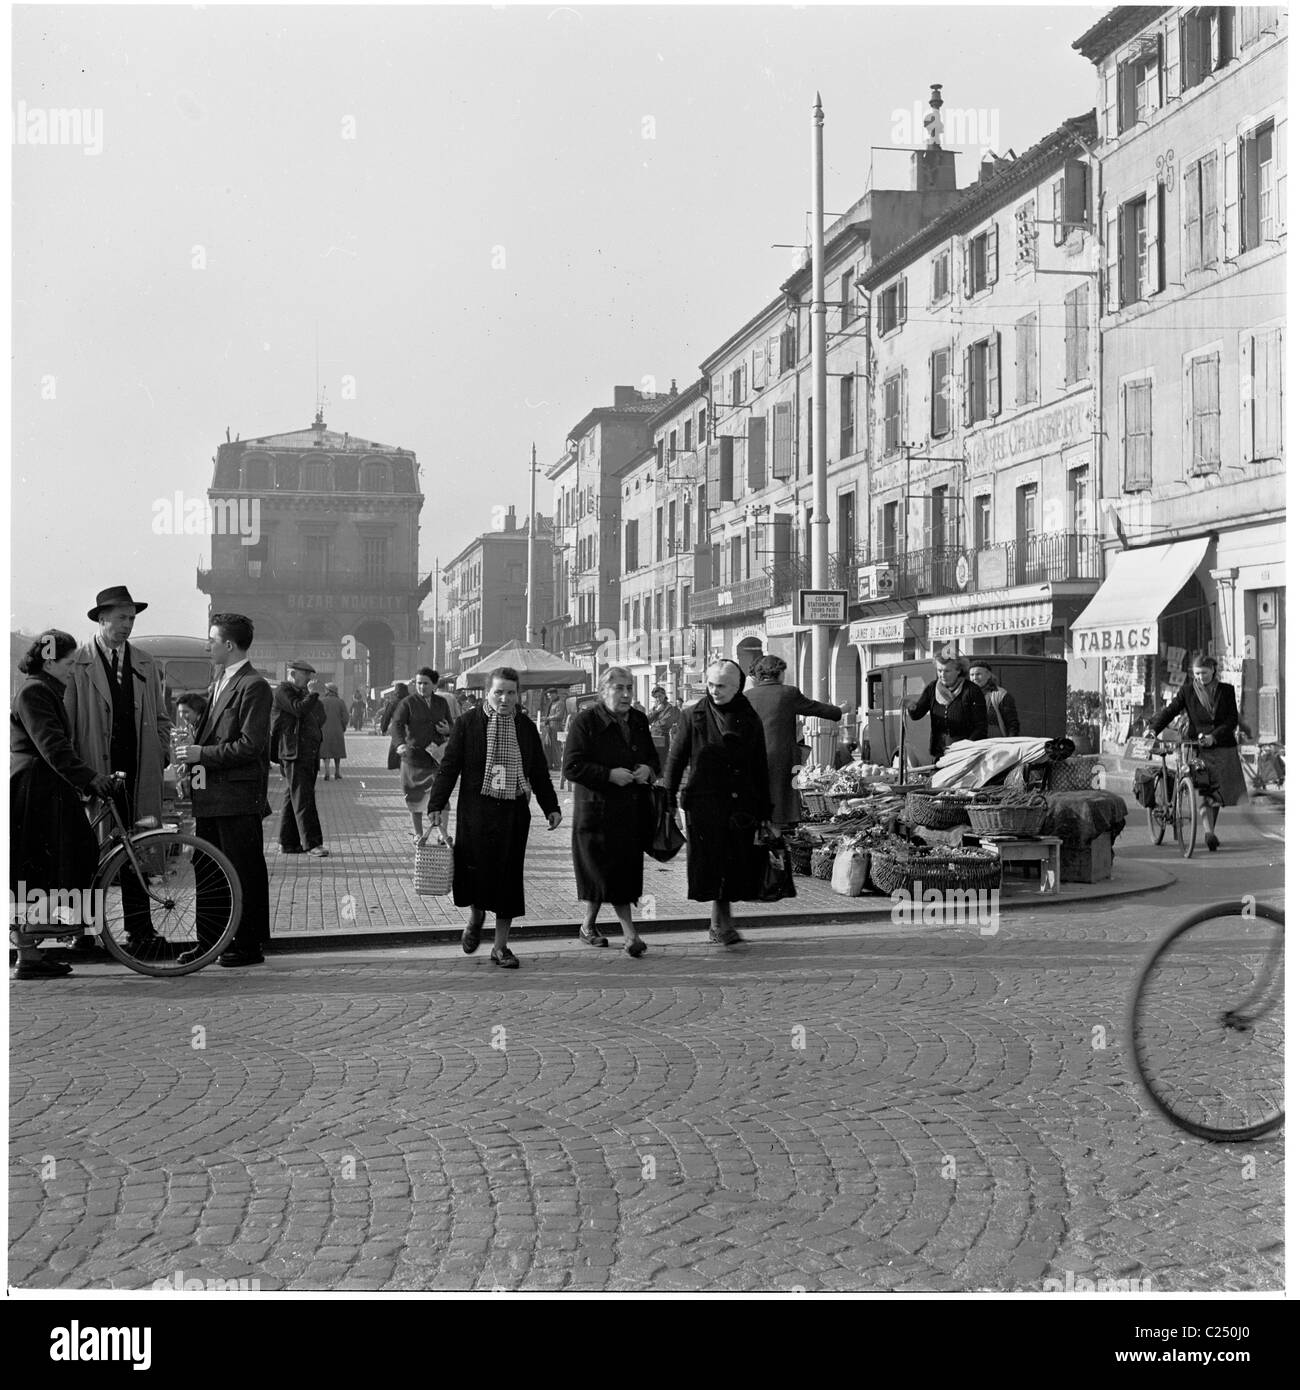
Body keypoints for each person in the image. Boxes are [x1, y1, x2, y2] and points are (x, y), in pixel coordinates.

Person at [428, 667, 562, 968]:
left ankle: (501, 947)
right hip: (476, 814)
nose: (504, 698)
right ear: (487, 693)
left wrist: (551, 807)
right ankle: (476, 918)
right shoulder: (467, 724)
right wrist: (436, 804)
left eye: (510, 692)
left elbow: (539, 771)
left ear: (518, 694)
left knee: (508, 879)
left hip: (513, 814)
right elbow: (449, 767)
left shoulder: (526, 727)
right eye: (498, 692)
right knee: (476, 873)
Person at [64, 584, 173, 951]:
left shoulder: (145, 662)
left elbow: (161, 717)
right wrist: (79, 773)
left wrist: (160, 751)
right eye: (122, 618)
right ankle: (85, 932)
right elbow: (67, 724)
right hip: (95, 774)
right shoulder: (77, 663)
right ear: (102, 618)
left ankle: (140, 929)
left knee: (137, 848)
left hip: (138, 773)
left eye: (132, 618)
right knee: (91, 852)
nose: (128, 625)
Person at [11, 631, 118, 979]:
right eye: (69, 663)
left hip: (45, 785)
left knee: (46, 863)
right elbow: (52, 746)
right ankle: (31, 945)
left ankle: (31, 951)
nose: (73, 669)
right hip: (35, 788)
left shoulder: (42, 689)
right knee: (41, 864)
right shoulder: (35, 692)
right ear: (49, 660)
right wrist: (90, 778)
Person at [175, 613, 272, 967]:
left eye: (212, 640)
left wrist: (203, 754)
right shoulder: (221, 680)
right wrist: (191, 767)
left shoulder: (253, 685)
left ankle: (247, 945)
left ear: (229, 645)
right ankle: (211, 942)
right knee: (209, 868)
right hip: (212, 796)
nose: (207, 645)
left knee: (242, 870)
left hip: (237, 798)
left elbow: (251, 745)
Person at [663, 658, 775, 946]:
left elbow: (759, 763)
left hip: (740, 803)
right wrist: (669, 800)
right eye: (711, 684)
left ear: (737, 686)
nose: (714, 690)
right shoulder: (693, 715)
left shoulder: (748, 716)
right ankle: (720, 925)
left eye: (721, 686)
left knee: (735, 862)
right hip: (704, 802)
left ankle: (722, 924)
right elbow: (675, 759)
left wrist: (765, 809)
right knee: (712, 863)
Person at [563, 667, 659, 956]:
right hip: (597, 814)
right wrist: (608, 775)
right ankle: (631, 936)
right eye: (619, 688)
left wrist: (649, 769)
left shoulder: (639, 720)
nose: (626, 694)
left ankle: (588, 926)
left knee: (616, 875)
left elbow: (653, 758)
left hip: (631, 812)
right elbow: (572, 766)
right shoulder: (585, 722)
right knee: (609, 875)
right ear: (604, 690)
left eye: (629, 687)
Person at [1150, 654, 1248, 851]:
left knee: (1217, 794)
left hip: (1221, 746)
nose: (1200, 677)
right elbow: (1171, 710)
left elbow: (1231, 720)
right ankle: (1208, 832)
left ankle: (1210, 829)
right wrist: (1154, 728)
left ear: (1213, 670)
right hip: (1198, 747)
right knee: (1203, 788)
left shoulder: (1227, 691)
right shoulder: (1187, 691)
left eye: (1204, 673)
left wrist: (1215, 736)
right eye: (1196, 674)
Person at [745, 654, 844, 830]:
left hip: (754, 756)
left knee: (761, 792)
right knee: (786, 794)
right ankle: (785, 831)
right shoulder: (788, 693)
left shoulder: (748, 696)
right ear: (779, 673)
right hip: (783, 755)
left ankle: (764, 828)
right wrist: (839, 711)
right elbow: (815, 708)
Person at [271, 660, 328, 857]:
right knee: (303, 797)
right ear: (293, 673)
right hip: (293, 751)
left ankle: (287, 842)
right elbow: (298, 709)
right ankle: (312, 843)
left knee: (293, 795)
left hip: (307, 751)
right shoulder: (283, 692)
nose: (310, 679)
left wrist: (314, 696)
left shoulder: (304, 693)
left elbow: (320, 716)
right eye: (306, 675)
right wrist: (312, 694)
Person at [392, 667, 453, 843]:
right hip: (413, 758)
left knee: (441, 795)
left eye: (426, 683)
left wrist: (448, 730)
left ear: (434, 684)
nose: (422, 687)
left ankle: (442, 833)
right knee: (415, 797)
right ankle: (419, 834)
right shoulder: (408, 702)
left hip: (436, 758)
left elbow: (451, 724)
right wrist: (400, 744)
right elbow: (396, 724)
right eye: (418, 683)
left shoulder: (441, 702)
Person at [904, 652, 988, 761]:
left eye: (947, 671)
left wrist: (967, 746)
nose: (942, 675)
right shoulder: (932, 688)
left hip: (965, 753)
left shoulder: (972, 691)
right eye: (939, 670)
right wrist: (911, 706)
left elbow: (981, 727)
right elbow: (917, 714)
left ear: (958, 671)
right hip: (940, 751)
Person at [969, 662, 1021, 737]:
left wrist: (1010, 744)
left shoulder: (1001, 695)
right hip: (971, 744)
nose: (975, 678)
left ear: (988, 675)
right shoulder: (966, 695)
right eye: (972, 675)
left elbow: (1012, 725)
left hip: (996, 744)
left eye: (978, 674)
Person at [318, 682, 350, 780]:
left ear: (328, 691)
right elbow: (345, 717)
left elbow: (317, 716)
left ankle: (327, 771)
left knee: (325, 751)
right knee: (337, 751)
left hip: (324, 730)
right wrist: (343, 726)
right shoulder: (340, 702)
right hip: (337, 730)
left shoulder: (321, 701)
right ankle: (337, 772)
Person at [646, 685, 680, 769]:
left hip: (662, 737)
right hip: (652, 737)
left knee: (661, 761)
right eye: (656, 697)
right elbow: (647, 720)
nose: (658, 699)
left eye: (660, 696)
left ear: (664, 695)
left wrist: (653, 724)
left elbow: (665, 723)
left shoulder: (670, 708)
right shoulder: (655, 708)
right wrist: (657, 711)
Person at [379, 682, 409, 769]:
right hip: (410, 729)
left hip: (397, 729)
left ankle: (399, 767)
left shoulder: (393, 702)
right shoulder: (411, 701)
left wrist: (383, 729)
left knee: (396, 748)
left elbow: (386, 717)